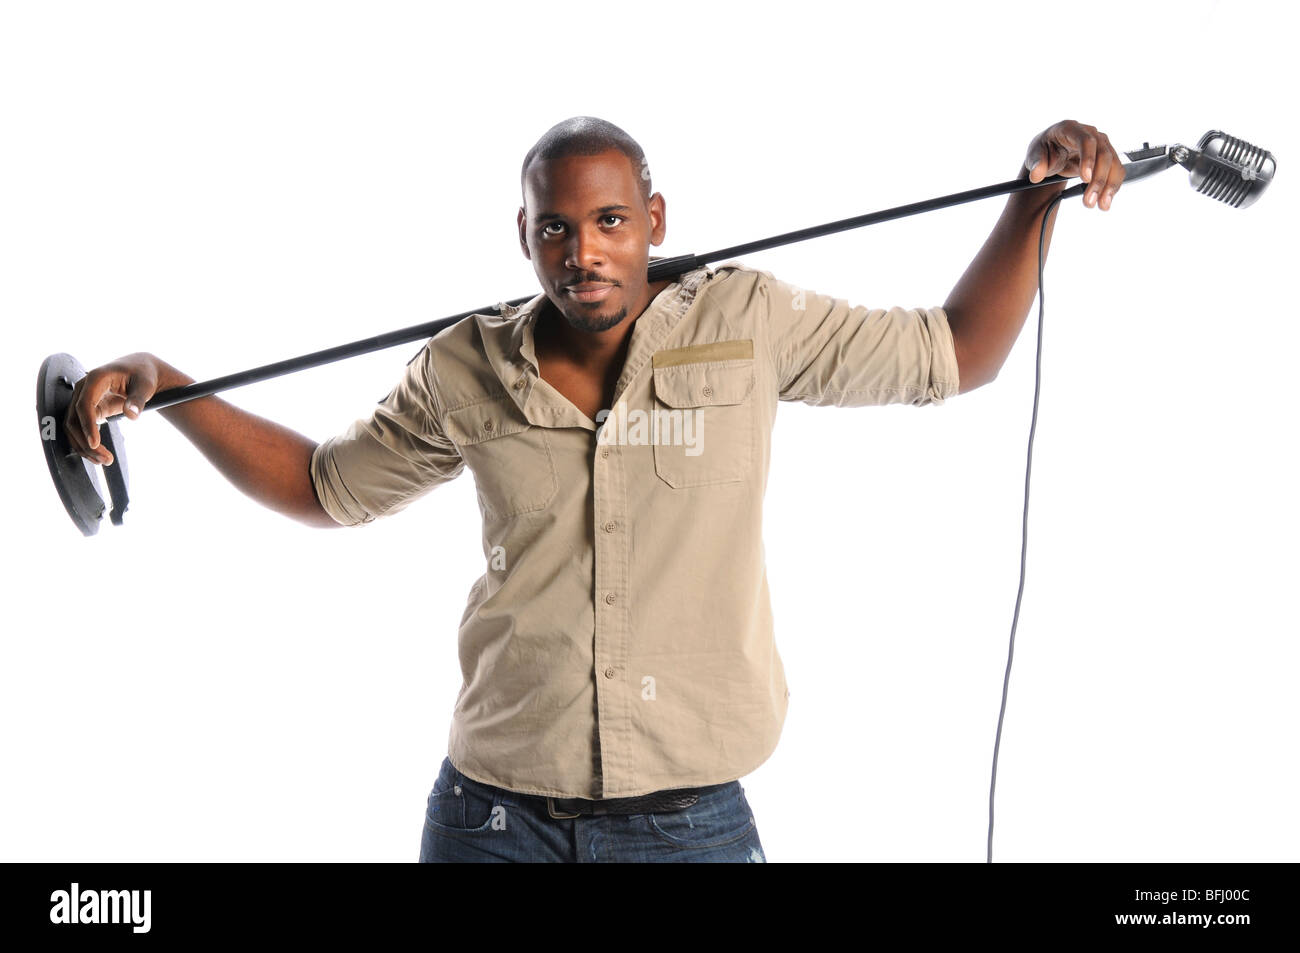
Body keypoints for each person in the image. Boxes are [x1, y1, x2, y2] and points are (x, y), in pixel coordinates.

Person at [64, 116, 1125, 862]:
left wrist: (1036, 201)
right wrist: (170, 387)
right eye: (559, 228)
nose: (585, 254)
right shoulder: (462, 368)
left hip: (687, 825)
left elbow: (958, 350)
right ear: (524, 235)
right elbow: (323, 485)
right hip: (488, 821)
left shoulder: (749, 321)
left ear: (654, 218)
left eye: (611, 221)